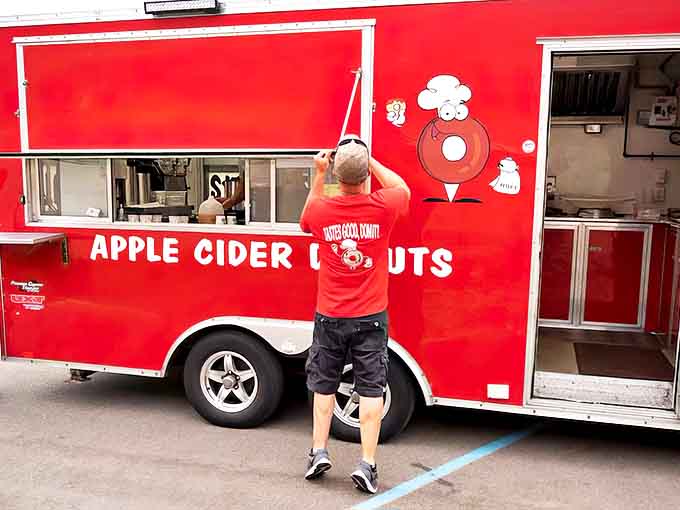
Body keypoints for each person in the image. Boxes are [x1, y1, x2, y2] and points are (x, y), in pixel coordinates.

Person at [300, 135, 410, 494]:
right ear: (364, 178)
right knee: (370, 388)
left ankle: (318, 452)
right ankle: (367, 464)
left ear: (336, 176)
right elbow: (402, 187)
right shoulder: (383, 205)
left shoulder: (322, 209)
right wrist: (371, 161)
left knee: (323, 384)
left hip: (330, 314)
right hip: (371, 317)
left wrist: (320, 172)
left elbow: (305, 219)